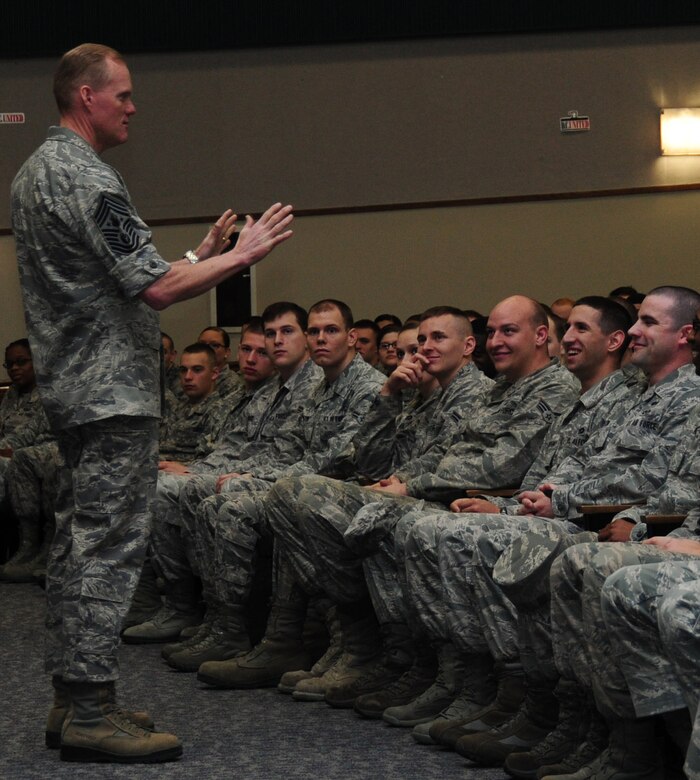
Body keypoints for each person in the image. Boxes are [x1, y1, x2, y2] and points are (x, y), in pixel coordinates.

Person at [11, 42, 293, 763]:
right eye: (125, 95)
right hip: (112, 394)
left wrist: (198, 254)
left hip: (79, 388)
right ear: (87, 98)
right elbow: (155, 290)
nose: (134, 107)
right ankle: (87, 709)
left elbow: (122, 276)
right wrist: (245, 256)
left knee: (80, 544)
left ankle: (78, 698)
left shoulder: (37, 172)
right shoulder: (88, 176)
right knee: (105, 549)